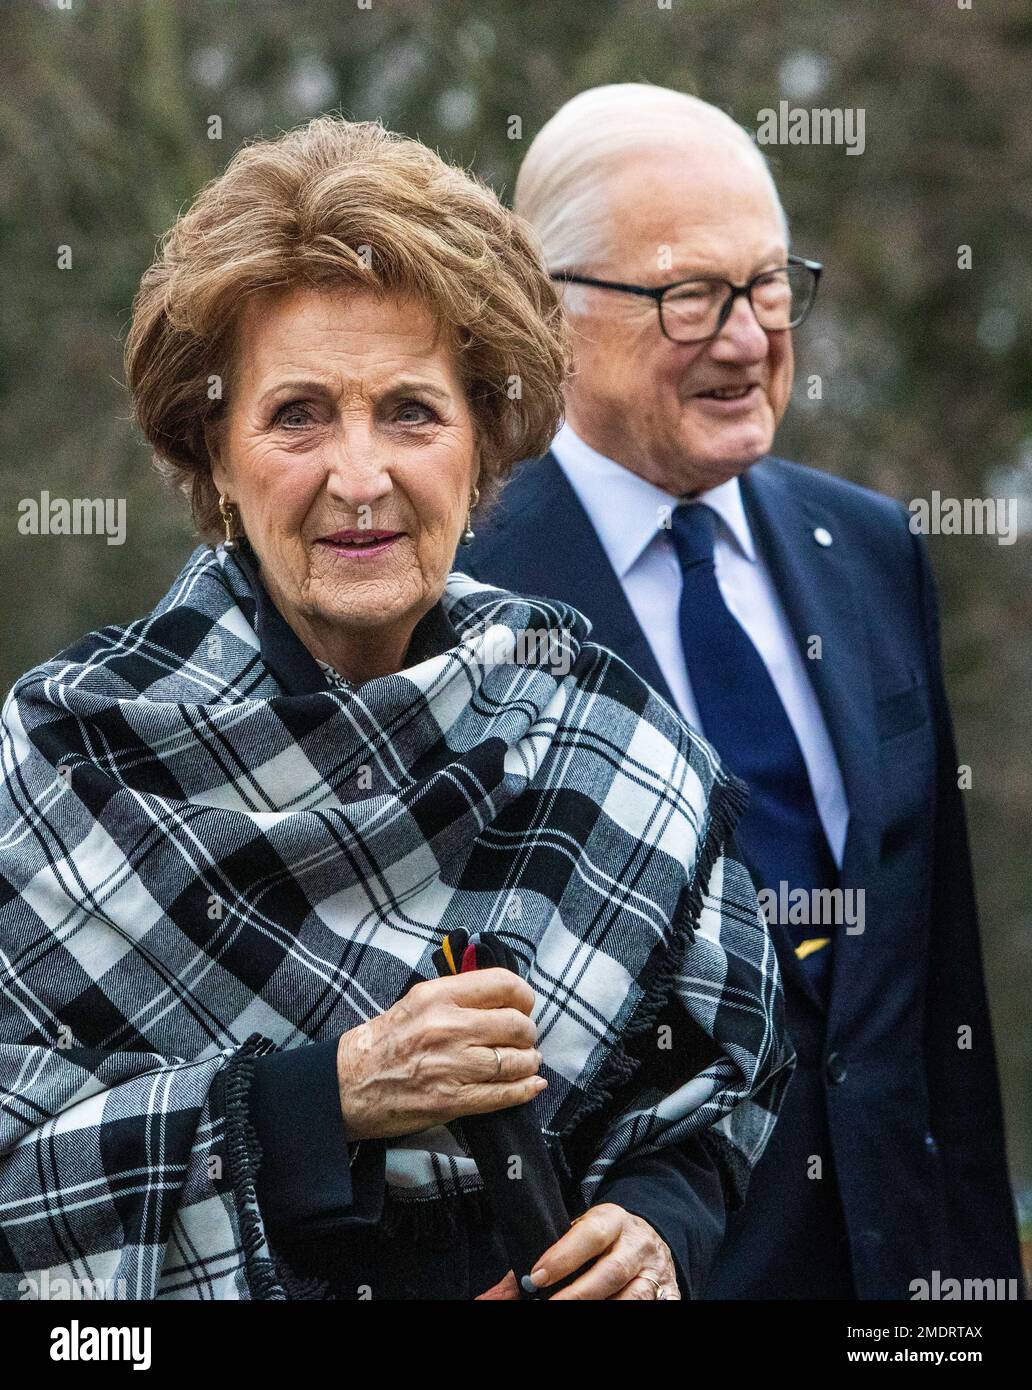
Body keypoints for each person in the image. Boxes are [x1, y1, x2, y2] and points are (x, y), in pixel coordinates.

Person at [0, 115, 792, 1302]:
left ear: (482, 452)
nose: (359, 477)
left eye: (412, 413)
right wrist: (328, 1093)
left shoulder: (611, 738)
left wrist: (654, 1224)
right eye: (297, 414)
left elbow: (712, 1084)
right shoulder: (68, 760)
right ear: (213, 453)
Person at [463, 83, 1024, 1299]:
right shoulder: (454, 589)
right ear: (547, 313)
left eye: (770, 284)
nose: (747, 335)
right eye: (687, 294)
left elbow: (940, 1003)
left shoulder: (868, 548)